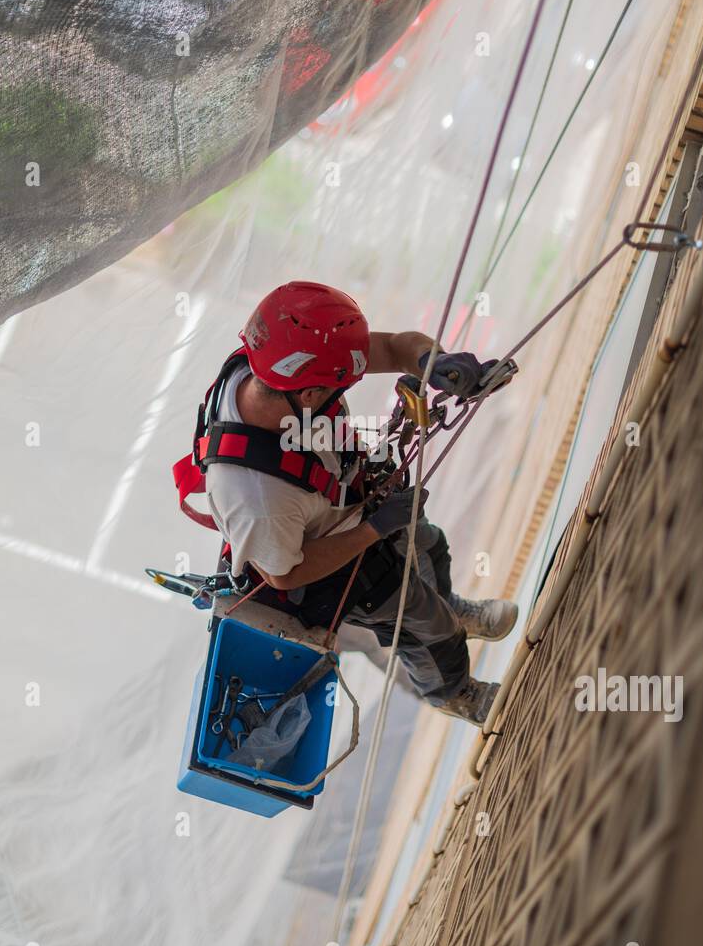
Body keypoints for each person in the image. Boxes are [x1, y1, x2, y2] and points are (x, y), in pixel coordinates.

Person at [177, 281, 518, 725]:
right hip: (323, 564)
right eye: (340, 387)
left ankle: (453, 607)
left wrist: (435, 361)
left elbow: (396, 348)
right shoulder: (253, 492)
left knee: (430, 546)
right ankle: (457, 693)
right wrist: (373, 531)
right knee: (426, 624)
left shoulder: (277, 366)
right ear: (310, 395)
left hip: (349, 501)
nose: (347, 391)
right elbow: (285, 574)